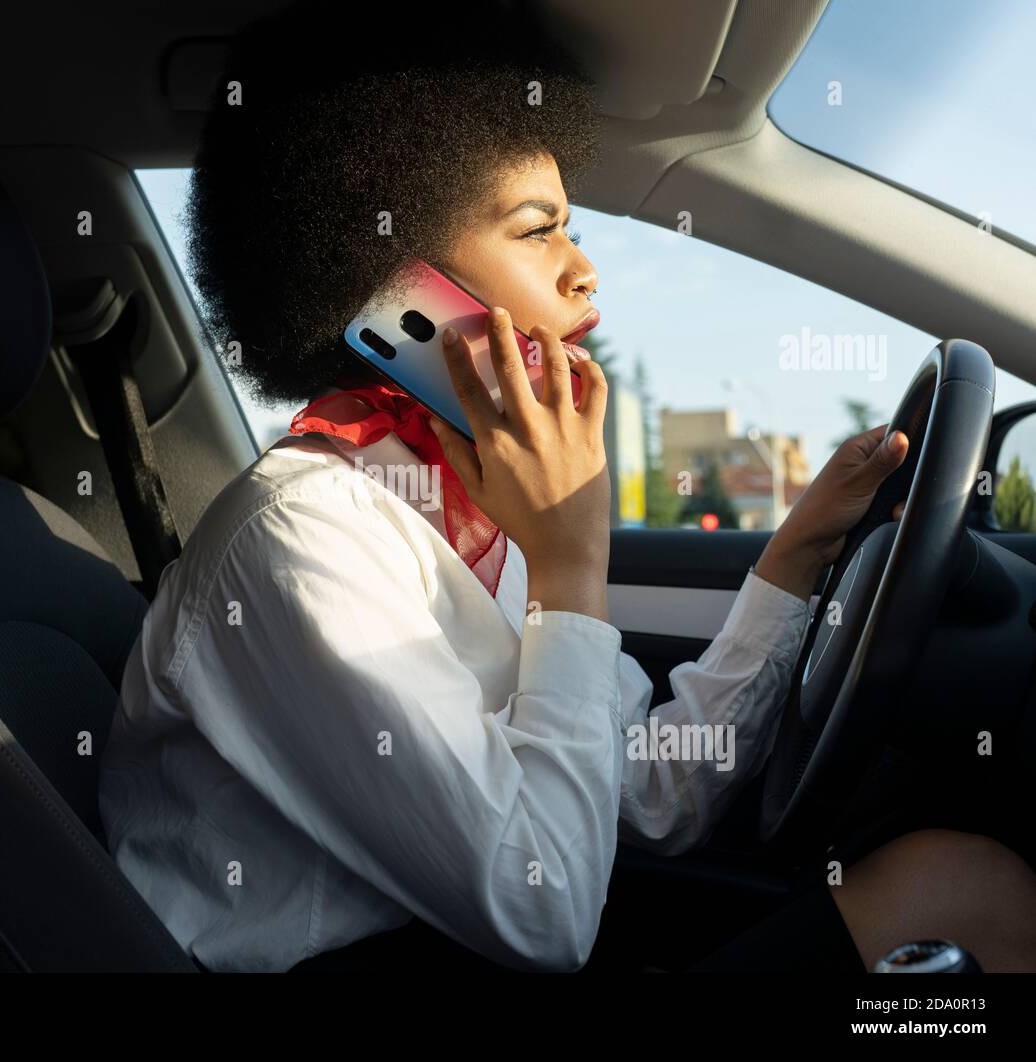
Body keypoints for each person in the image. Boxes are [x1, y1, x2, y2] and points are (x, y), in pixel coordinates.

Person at [98, 0, 1036, 973]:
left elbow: (646, 798)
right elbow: (543, 914)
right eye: (538, 230)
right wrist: (569, 562)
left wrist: (793, 556)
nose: (585, 271)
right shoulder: (306, 538)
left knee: (953, 886)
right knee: (957, 896)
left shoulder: (463, 501)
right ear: (397, 287)